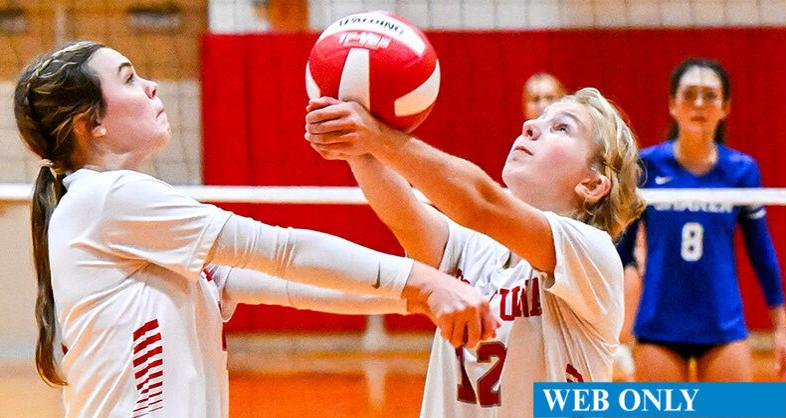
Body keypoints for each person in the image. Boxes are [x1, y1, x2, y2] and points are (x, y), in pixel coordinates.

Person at [14, 40, 500, 417]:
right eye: (128, 79)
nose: (151, 86)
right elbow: (280, 250)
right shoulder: (107, 198)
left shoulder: (119, 209)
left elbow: (287, 286)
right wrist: (425, 281)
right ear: (90, 123)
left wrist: (423, 297)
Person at [305, 86, 646, 416]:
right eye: (538, 118)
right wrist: (351, 138)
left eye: (561, 127)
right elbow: (404, 215)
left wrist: (377, 136)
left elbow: (480, 203)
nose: (530, 126)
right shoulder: (474, 245)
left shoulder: (590, 250)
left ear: (593, 183)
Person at [615, 58, 786, 382]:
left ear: (725, 107)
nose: (699, 103)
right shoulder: (646, 166)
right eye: (689, 94)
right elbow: (620, 251)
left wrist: (781, 328)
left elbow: (761, 251)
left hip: (722, 325)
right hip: (659, 326)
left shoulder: (741, 170)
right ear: (672, 105)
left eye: (710, 95)